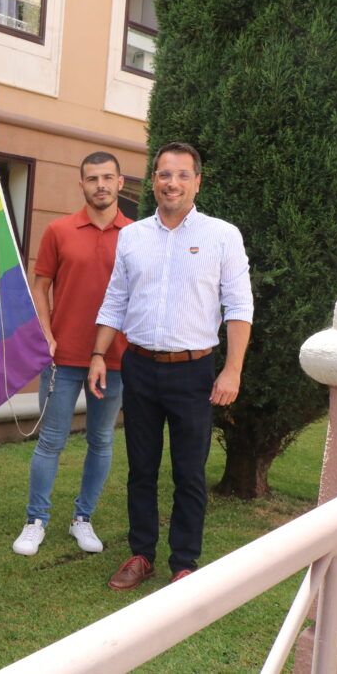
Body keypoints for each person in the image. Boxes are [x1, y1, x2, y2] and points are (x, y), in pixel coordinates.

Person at [88, 142, 253, 590]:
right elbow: (115, 300)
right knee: (141, 467)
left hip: (194, 373)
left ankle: (184, 564)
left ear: (197, 181)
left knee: (189, 472)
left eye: (182, 175)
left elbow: (239, 306)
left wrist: (232, 370)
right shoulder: (133, 236)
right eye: (164, 174)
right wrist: (99, 354)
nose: (172, 183)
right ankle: (141, 554)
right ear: (154, 180)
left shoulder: (223, 235)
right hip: (138, 367)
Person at [12, 152, 132, 556]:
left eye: (108, 178)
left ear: (121, 183)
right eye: (92, 178)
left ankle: (83, 518)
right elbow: (40, 286)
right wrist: (46, 334)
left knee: (100, 440)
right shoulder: (59, 231)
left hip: (114, 358)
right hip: (63, 357)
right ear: (81, 184)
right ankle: (36, 520)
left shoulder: (137, 235)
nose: (100, 184)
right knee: (51, 441)